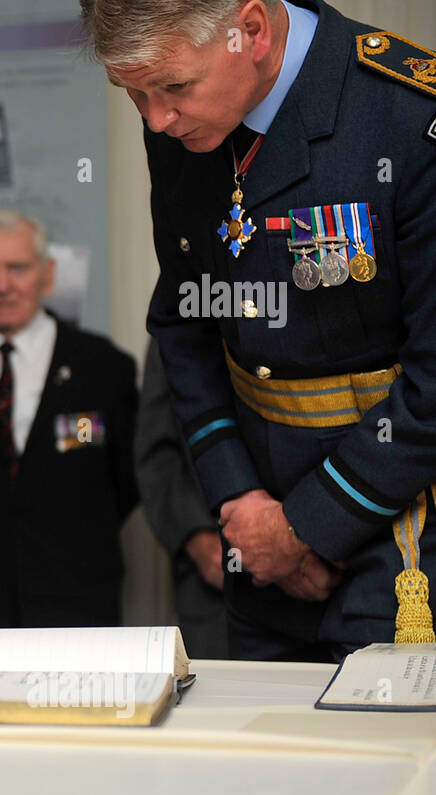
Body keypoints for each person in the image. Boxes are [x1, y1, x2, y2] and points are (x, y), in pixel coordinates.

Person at [80, 0, 436, 660]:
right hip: (258, 548)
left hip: (399, 541)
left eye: (174, 88)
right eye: (132, 93)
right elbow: (184, 322)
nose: (156, 119)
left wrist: (306, 526)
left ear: (251, 31)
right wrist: (243, 504)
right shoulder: (177, 121)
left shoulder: (406, 115)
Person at [0, 210, 138, 628]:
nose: (2, 285)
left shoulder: (105, 368)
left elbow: (127, 481)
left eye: (17, 268)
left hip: (77, 604)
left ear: (47, 275)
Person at [134, 340, 229, 658]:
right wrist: (200, 543)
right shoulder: (180, 318)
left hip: (321, 580)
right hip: (213, 588)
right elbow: (157, 455)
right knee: (215, 704)